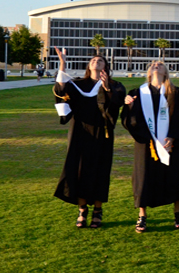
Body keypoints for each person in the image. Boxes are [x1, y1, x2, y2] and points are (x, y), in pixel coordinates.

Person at [121, 61, 179, 233]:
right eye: (153, 64)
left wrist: (174, 136)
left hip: (171, 145)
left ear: (166, 72)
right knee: (143, 178)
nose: (157, 65)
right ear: (148, 71)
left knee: (172, 178)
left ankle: (177, 212)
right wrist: (131, 107)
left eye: (161, 64)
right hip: (145, 145)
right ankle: (142, 216)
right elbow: (131, 121)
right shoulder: (137, 94)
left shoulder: (178, 94)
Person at [51, 48, 126, 228]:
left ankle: (98, 211)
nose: (96, 61)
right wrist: (63, 64)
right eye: (93, 60)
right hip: (80, 131)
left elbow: (117, 103)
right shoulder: (78, 84)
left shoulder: (115, 85)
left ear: (106, 66)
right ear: (88, 65)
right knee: (78, 169)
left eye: (100, 60)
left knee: (100, 170)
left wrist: (107, 89)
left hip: (102, 132)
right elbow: (61, 91)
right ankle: (82, 210)